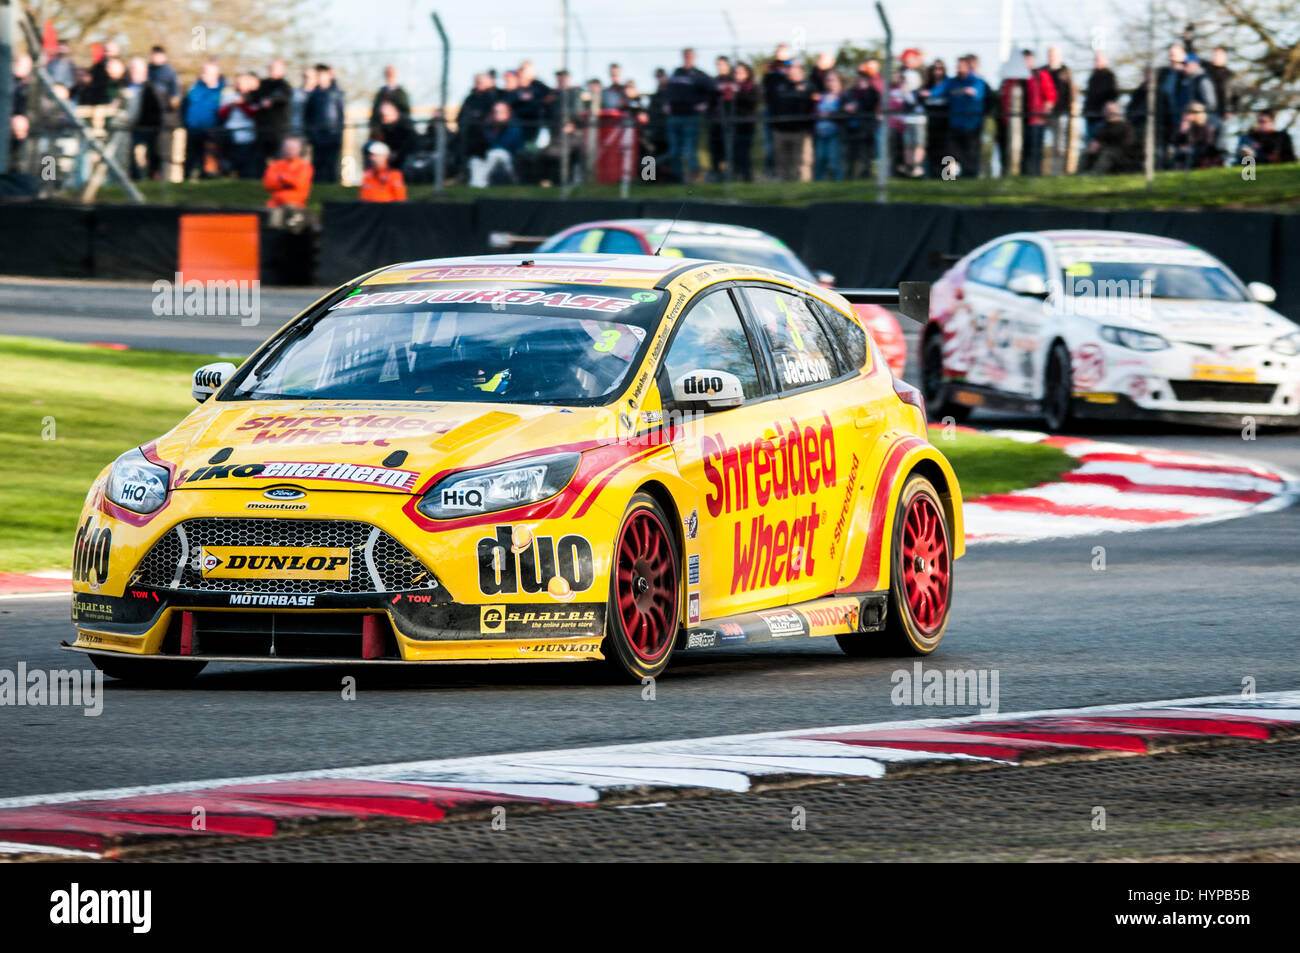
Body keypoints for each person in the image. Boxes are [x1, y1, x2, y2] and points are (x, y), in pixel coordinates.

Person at [931, 55, 986, 178]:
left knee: (971, 152)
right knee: (951, 151)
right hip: (955, 123)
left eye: (961, 66)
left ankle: (970, 176)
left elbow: (975, 93)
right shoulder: (952, 82)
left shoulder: (977, 81)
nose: (958, 68)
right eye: (957, 66)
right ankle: (950, 176)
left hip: (972, 124)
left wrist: (963, 91)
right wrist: (926, 93)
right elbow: (937, 91)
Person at [664, 48, 713, 183]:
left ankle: (692, 179)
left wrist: (704, 103)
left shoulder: (700, 75)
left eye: (690, 55)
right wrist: (667, 103)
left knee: (690, 149)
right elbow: (668, 90)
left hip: (691, 116)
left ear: (694, 57)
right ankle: (677, 178)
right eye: (685, 55)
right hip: (674, 115)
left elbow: (712, 90)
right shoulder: (676, 73)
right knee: (674, 149)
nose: (687, 58)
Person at [771, 61, 815, 182]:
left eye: (793, 68)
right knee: (782, 162)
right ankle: (784, 187)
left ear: (800, 70)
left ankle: (803, 187)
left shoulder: (808, 86)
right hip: (781, 130)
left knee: (802, 162)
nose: (790, 71)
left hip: (801, 131)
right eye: (788, 68)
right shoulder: (780, 86)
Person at [181, 59, 224, 180]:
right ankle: (187, 180)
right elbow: (184, 107)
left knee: (209, 161)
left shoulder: (222, 92)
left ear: (215, 74)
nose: (203, 74)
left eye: (207, 72)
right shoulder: (194, 90)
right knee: (190, 158)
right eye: (203, 71)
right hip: (193, 130)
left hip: (212, 132)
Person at [304, 64, 344, 184]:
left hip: (332, 135)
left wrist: (337, 134)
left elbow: (340, 116)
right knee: (318, 166)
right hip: (317, 137)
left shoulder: (337, 93)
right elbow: (308, 116)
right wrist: (311, 135)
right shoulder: (313, 95)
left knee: (332, 166)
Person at [218, 72, 261, 178]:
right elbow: (221, 114)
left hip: (247, 134)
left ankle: (244, 177)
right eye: (238, 83)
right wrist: (231, 106)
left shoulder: (253, 97)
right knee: (229, 158)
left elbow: (254, 114)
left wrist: (242, 104)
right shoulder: (229, 97)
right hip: (230, 132)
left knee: (245, 158)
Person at [263, 136, 313, 222]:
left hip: (295, 206)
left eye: (292, 148)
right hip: (275, 204)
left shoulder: (304, 166)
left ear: (299, 149)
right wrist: (289, 181)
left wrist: (282, 177)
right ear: (282, 149)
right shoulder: (275, 165)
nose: (289, 150)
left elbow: (299, 183)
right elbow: (268, 184)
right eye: (287, 147)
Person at [255, 59, 293, 165]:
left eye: (275, 68)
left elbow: (284, 97)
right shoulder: (263, 84)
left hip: (278, 130)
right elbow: (254, 98)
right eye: (271, 67)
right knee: (261, 160)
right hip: (262, 129)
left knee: (278, 159)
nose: (272, 70)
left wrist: (272, 100)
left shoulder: (284, 85)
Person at [1083, 101, 1136, 174]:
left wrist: (1105, 146)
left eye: (1110, 110)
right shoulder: (1103, 127)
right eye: (1106, 110)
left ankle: (1096, 173)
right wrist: (1093, 146)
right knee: (1086, 151)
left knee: (1107, 153)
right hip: (1104, 149)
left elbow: (1128, 142)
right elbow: (1097, 140)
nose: (1108, 112)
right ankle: (1081, 173)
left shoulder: (1125, 126)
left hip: (1120, 151)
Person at [812, 70, 846, 181]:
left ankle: (838, 183)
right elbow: (814, 112)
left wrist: (829, 114)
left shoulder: (843, 97)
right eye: (828, 80)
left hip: (835, 133)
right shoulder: (820, 97)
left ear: (839, 82)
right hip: (820, 133)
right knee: (820, 159)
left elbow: (844, 112)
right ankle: (819, 185)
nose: (830, 83)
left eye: (833, 80)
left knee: (834, 160)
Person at [507, 60, 551, 145]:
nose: (522, 73)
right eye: (521, 70)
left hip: (535, 123)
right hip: (517, 123)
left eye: (525, 70)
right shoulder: (513, 86)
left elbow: (549, 97)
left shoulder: (539, 86)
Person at [728, 62, 759, 181]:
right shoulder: (732, 87)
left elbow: (752, 102)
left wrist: (738, 92)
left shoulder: (752, 87)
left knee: (744, 153)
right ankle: (736, 177)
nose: (738, 75)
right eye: (736, 72)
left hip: (747, 125)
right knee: (734, 153)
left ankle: (747, 178)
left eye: (741, 72)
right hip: (734, 124)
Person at [1082, 50, 1118, 142]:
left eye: (1098, 60)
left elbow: (1113, 94)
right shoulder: (1092, 76)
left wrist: (1107, 109)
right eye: (1095, 60)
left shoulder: (1109, 75)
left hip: (1101, 115)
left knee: (1099, 141)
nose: (1096, 62)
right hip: (1090, 114)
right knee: (1089, 142)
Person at [1171, 102, 1220, 169]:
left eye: (1190, 112)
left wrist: (1191, 149)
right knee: (1177, 155)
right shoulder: (1185, 126)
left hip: (1200, 154)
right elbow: (1174, 142)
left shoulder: (1205, 128)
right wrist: (1182, 132)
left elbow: (1208, 144)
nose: (1187, 115)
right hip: (1185, 153)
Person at [708, 55, 734, 179]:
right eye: (718, 65)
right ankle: (717, 174)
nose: (720, 67)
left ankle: (729, 174)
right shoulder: (713, 82)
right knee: (715, 149)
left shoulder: (733, 80)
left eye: (722, 64)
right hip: (715, 120)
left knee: (728, 148)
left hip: (729, 120)